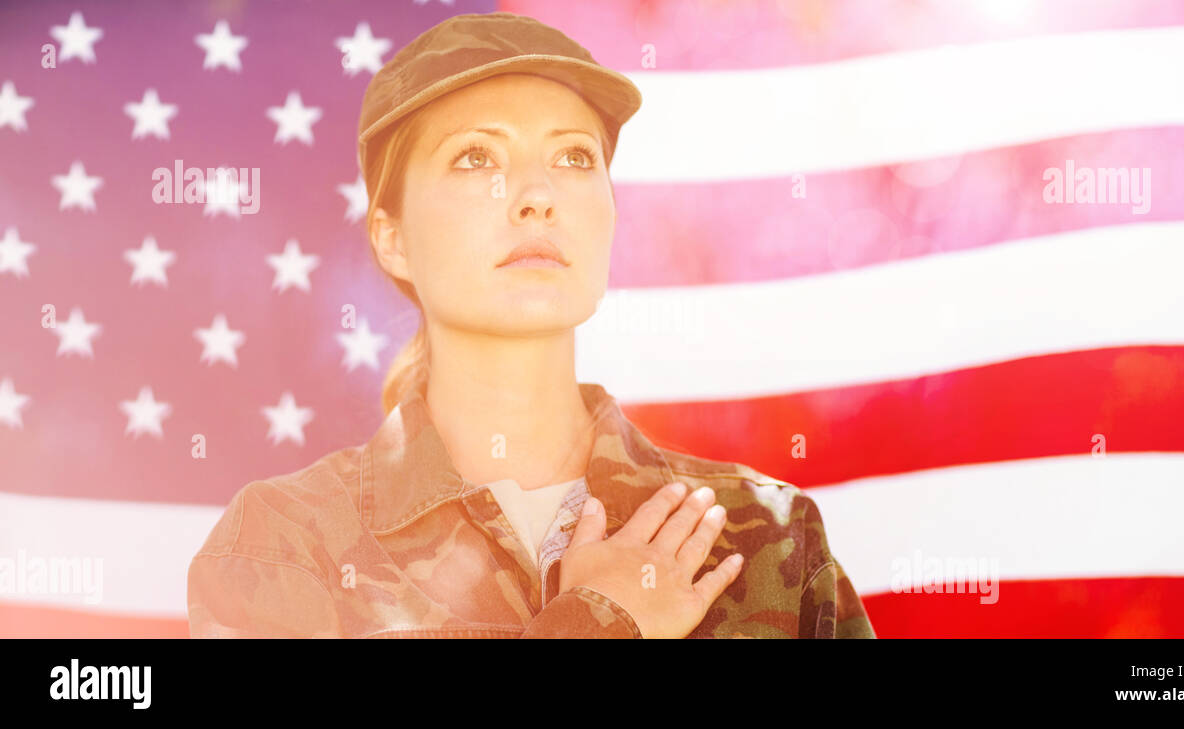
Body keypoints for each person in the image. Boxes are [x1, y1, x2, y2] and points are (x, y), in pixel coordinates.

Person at [186, 11, 874, 638]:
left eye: (575, 157)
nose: (537, 196)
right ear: (392, 238)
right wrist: (598, 623)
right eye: (475, 157)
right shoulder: (282, 547)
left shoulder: (764, 540)